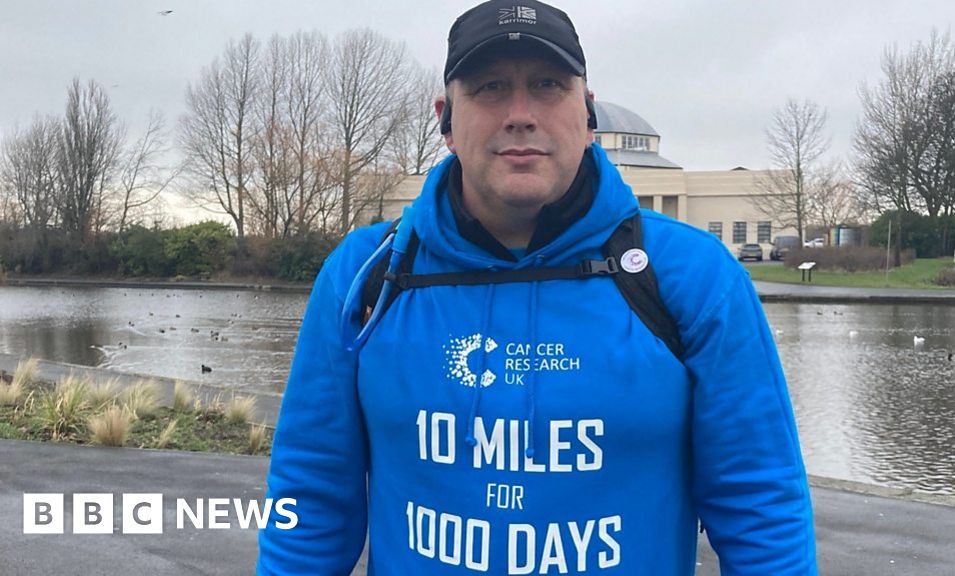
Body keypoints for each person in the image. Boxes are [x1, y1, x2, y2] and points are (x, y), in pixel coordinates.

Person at [257, 0, 818, 574]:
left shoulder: (691, 275)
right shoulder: (366, 274)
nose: (520, 115)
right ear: (446, 121)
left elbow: (760, 506)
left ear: (588, 115)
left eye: (548, 85)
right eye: (490, 87)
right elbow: (310, 496)